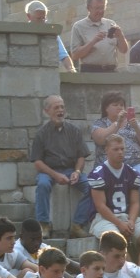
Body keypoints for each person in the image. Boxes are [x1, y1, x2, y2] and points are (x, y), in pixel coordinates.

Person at [89, 135, 140, 264]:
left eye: (122, 149)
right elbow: (100, 206)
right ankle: (129, 274)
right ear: (106, 150)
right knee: (117, 241)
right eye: (116, 149)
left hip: (127, 216)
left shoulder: (132, 173)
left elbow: (135, 202)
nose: (120, 152)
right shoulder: (98, 174)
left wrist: (131, 221)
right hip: (104, 218)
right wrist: (120, 223)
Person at [30, 95, 93, 240]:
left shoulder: (74, 131)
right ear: (47, 111)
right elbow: (38, 162)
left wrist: (77, 171)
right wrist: (55, 175)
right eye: (56, 107)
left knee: (91, 186)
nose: (60, 110)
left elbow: (81, 156)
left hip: (71, 170)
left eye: (62, 107)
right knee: (43, 184)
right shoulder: (41, 134)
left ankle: (77, 225)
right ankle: (44, 224)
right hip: (49, 171)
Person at [90, 90, 140, 199]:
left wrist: (137, 127)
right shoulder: (100, 123)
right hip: (107, 166)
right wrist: (117, 124)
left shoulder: (132, 123)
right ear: (106, 108)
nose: (119, 107)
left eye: (121, 105)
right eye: (115, 105)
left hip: (134, 165)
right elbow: (100, 139)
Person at [70, 0, 128, 72]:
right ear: (88, 8)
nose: (100, 11)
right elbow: (75, 55)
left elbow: (124, 50)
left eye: (102, 7)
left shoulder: (111, 24)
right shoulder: (78, 27)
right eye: (97, 8)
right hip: (90, 72)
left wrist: (120, 36)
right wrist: (93, 42)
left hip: (111, 72)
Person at [25, 0, 75, 71]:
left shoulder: (52, 34)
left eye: (44, 18)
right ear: (29, 16)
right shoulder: (23, 34)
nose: (42, 22)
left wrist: (71, 70)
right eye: (39, 18)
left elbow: (64, 56)